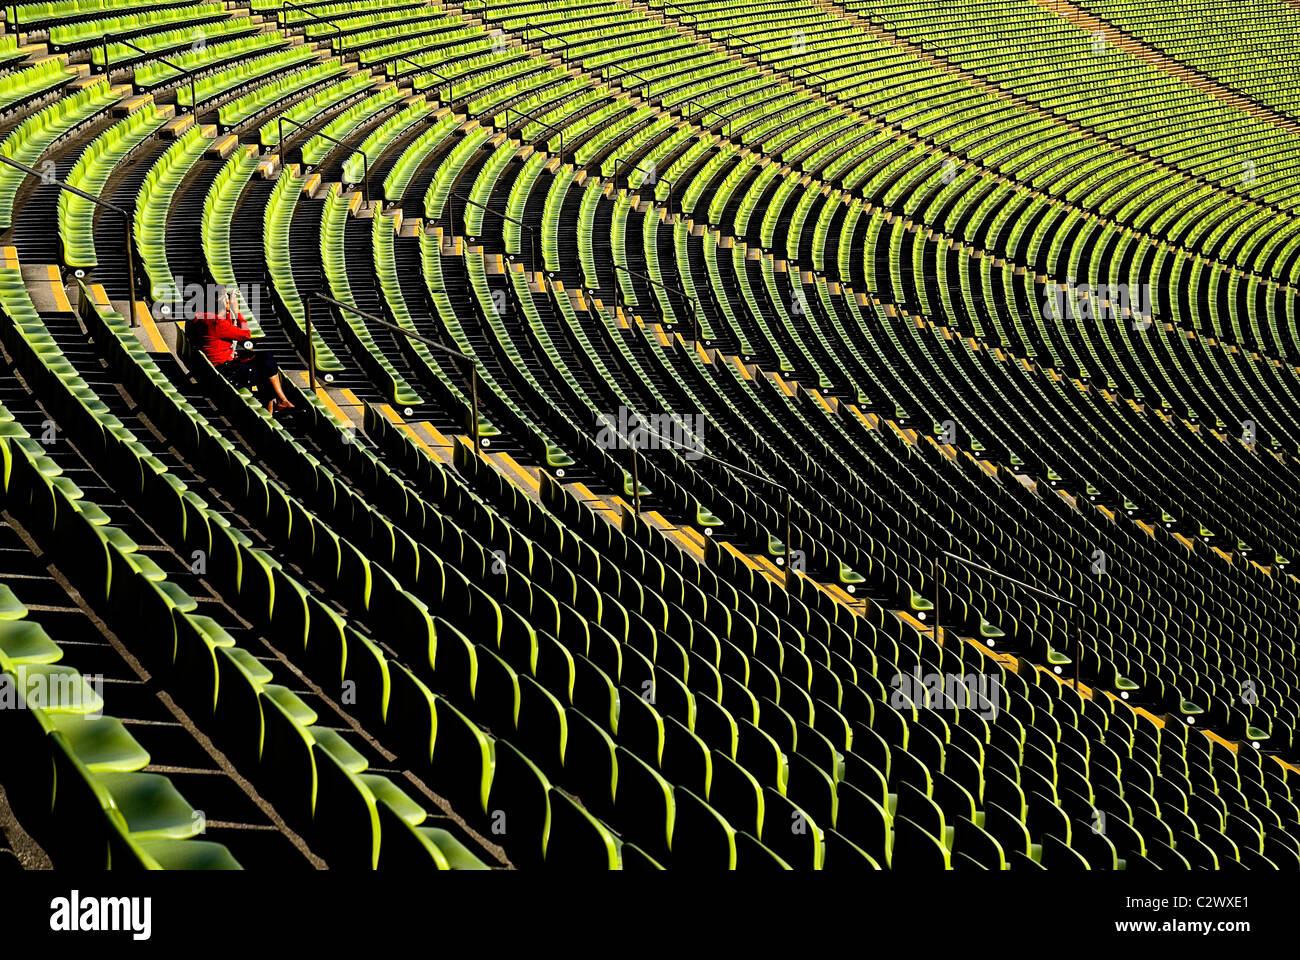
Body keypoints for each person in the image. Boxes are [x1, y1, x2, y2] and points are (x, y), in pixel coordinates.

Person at [188, 290, 294, 416]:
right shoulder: (217, 323)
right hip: (225, 370)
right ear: (225, 304)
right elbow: (246, 334)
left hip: (213, 367)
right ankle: (273, 409)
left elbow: (226, 326)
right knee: (264, 369)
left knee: (266, 357)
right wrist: (237, 311)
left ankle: (282, 401)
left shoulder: (201, 317)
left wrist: (227, 311)